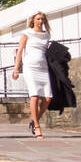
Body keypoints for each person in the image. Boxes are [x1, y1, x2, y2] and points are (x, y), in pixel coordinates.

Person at [13, 10, 53, 138]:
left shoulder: (46, 35)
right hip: (30, 67)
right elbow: (19, 51)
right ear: (33, 20)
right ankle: (37, 126)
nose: (40, 21)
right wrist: (16, 69)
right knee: (34, 96)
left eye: (42, 19)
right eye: (38, 19)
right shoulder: (27, 33)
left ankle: (34, 120)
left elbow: (46, 51)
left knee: (47, 98)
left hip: (43, 67)